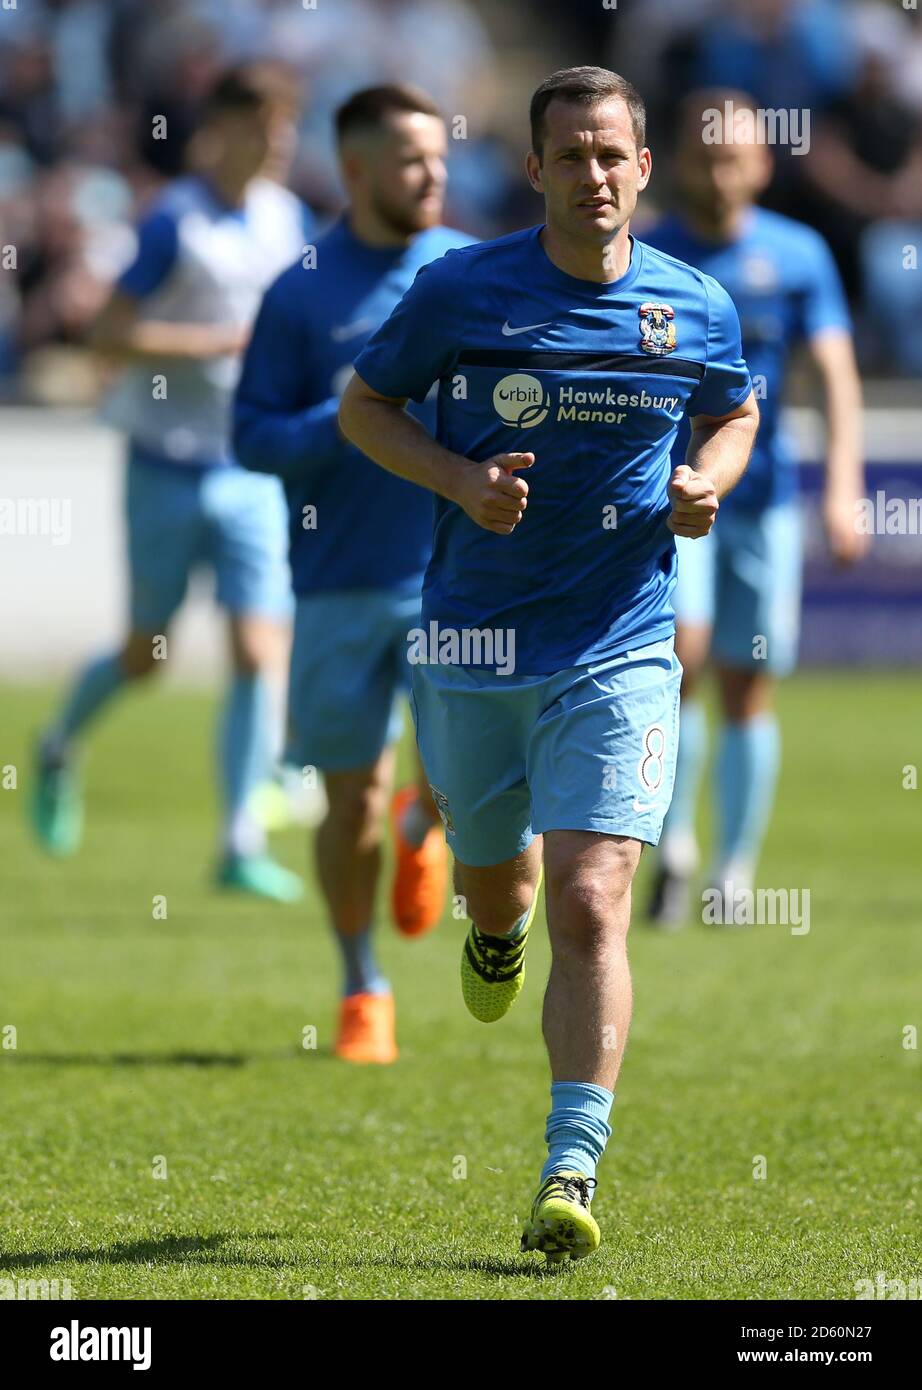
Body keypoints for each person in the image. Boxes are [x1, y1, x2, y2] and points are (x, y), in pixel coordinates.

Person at [339, 66, 758, 1260]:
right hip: (474, 641)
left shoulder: (695, 305)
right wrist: (461, 482)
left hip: (620, 641)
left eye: (612, 154)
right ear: (534, 171)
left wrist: (704, 484)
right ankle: (487, 928)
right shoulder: (462, 289)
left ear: (642, 165)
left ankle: (568, 1167)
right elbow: (364, 409)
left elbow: (735, 410)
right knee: (505, 891)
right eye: (569, 156)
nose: (593, 175)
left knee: (589, 899)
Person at [234, 85, 475, 1064]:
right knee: (349, 801)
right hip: (335, 586)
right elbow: (249, 436)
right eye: (412, 160)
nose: (433, 176)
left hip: (453, 579)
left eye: (440, 158)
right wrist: (343, 415)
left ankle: (434, 822)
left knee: (461, 780)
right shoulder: (299, 289)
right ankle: (359, 983)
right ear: (357, 170)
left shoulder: (468, 273)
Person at [32, 65, 313, 903]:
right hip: (165, 465)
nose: (280, 142)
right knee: (146, 654)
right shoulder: (174, 222)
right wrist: (214, 346)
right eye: (266, 125)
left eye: (288, 126)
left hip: (252, 467)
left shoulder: (286, 218)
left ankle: (238, 838)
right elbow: (108, 338)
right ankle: (56, 745)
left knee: (259, 648)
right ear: (225, 128)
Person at [644, 90, 866, 925]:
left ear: (764, 163)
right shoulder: (646, 252)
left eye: (736, 156)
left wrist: (842, 486)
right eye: (706, 156)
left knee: (747, 686)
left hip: (764, 500)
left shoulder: (798, 254)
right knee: (679, 662)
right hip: (672, 500)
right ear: (672, 162)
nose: (721, 172)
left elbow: (836, 379)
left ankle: (731, 874)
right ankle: (673, 848)